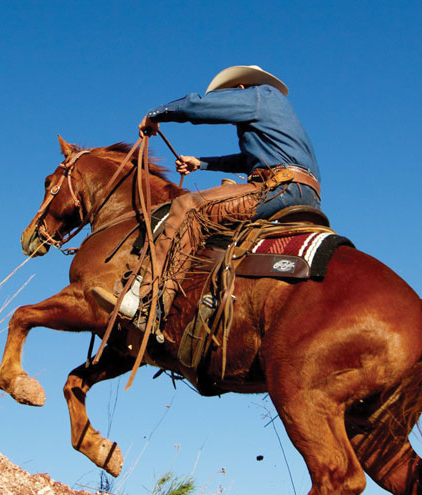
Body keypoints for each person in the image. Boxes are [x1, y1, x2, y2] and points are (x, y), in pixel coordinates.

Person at [95, 65, 322, 329]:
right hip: (303, 192)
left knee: (187, 206)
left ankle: (149, 300)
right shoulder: (276, 114)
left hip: (278, 187)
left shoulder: (261, 95)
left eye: (228, 96)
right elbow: (247, 161)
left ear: (239, 88)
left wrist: (155, 114)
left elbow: (196, 106)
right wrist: (200, 164)